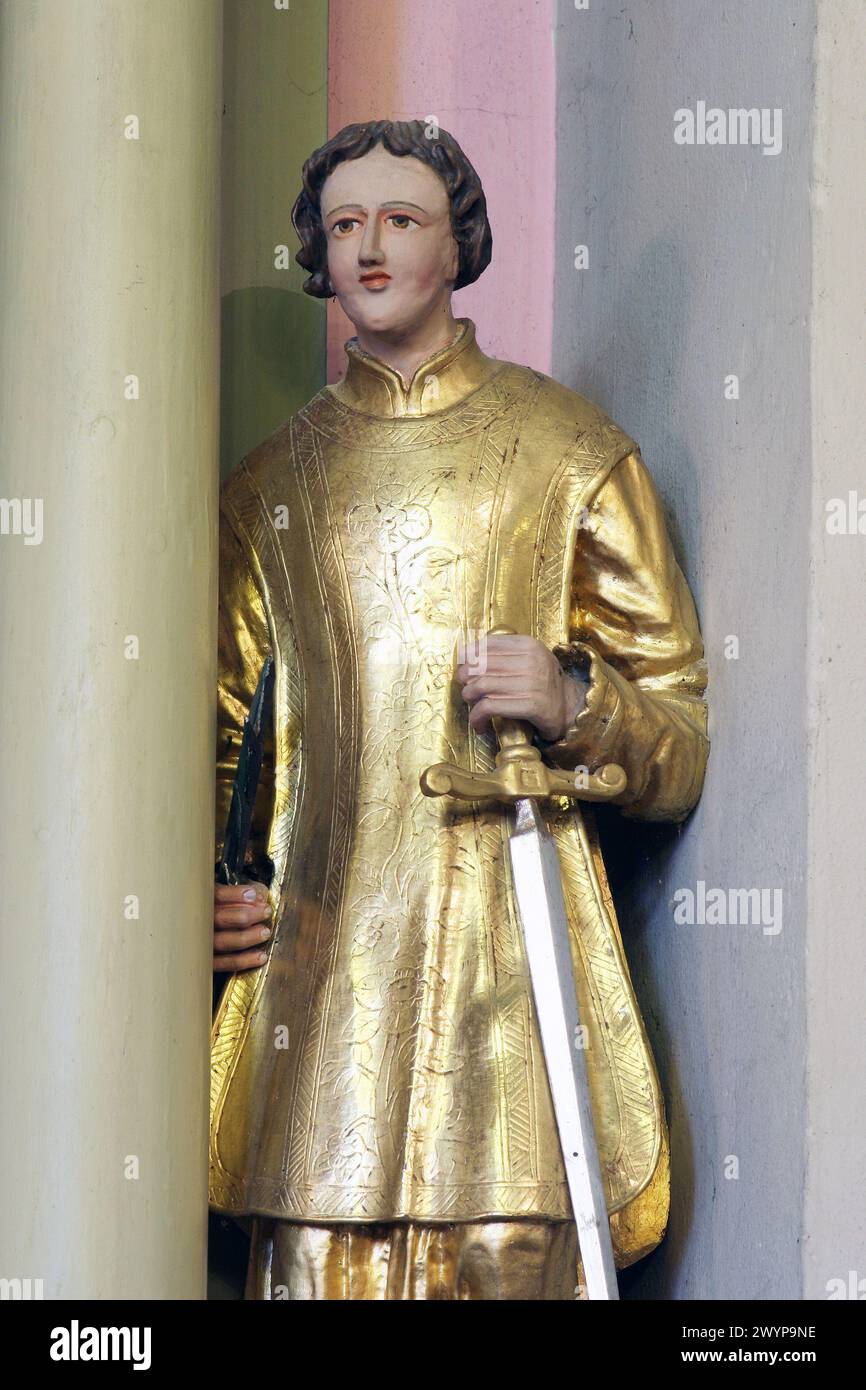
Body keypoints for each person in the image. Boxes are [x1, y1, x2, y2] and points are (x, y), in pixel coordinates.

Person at [210, 120, 709, 1300]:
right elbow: (220, 742)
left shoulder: (566, 449)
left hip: (508, 984)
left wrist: (573, 700)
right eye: (343, 228)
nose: (369, 251)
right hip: (319, 993)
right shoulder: (270, 488)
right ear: (318, 257)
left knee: (509, 1256)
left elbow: (677, 731)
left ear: (455, 245)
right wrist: (209, 893)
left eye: (400, 222)